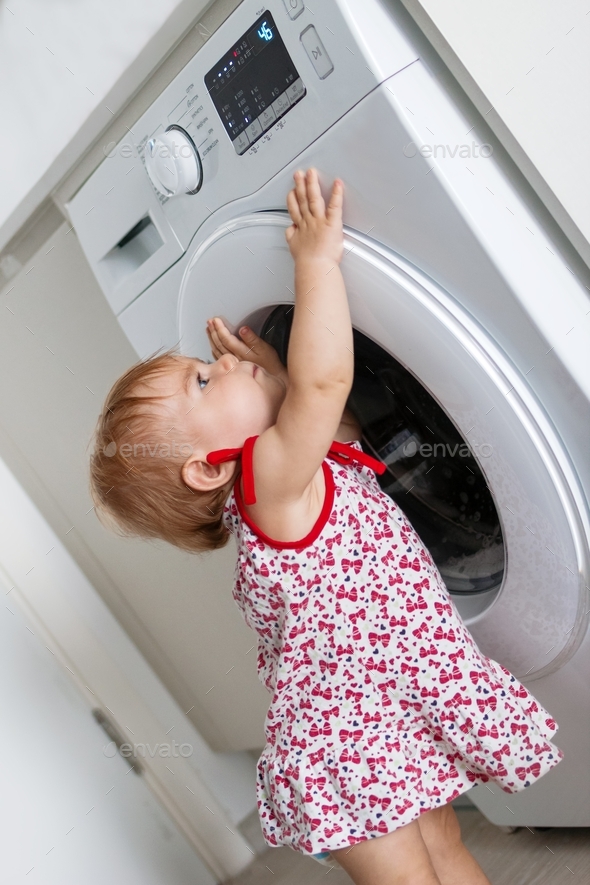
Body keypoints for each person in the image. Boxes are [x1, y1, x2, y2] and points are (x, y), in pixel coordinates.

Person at [90, 168, 563, 884]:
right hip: (347, 748)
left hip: (387, 718)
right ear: (208, 469)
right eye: (203, 383)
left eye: (200, 364)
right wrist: (315, 264)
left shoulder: (292, 471)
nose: (219, 361)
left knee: (446, 855)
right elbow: (325, 385)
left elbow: (330, 418)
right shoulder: (267, 487)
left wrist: (269, 380)